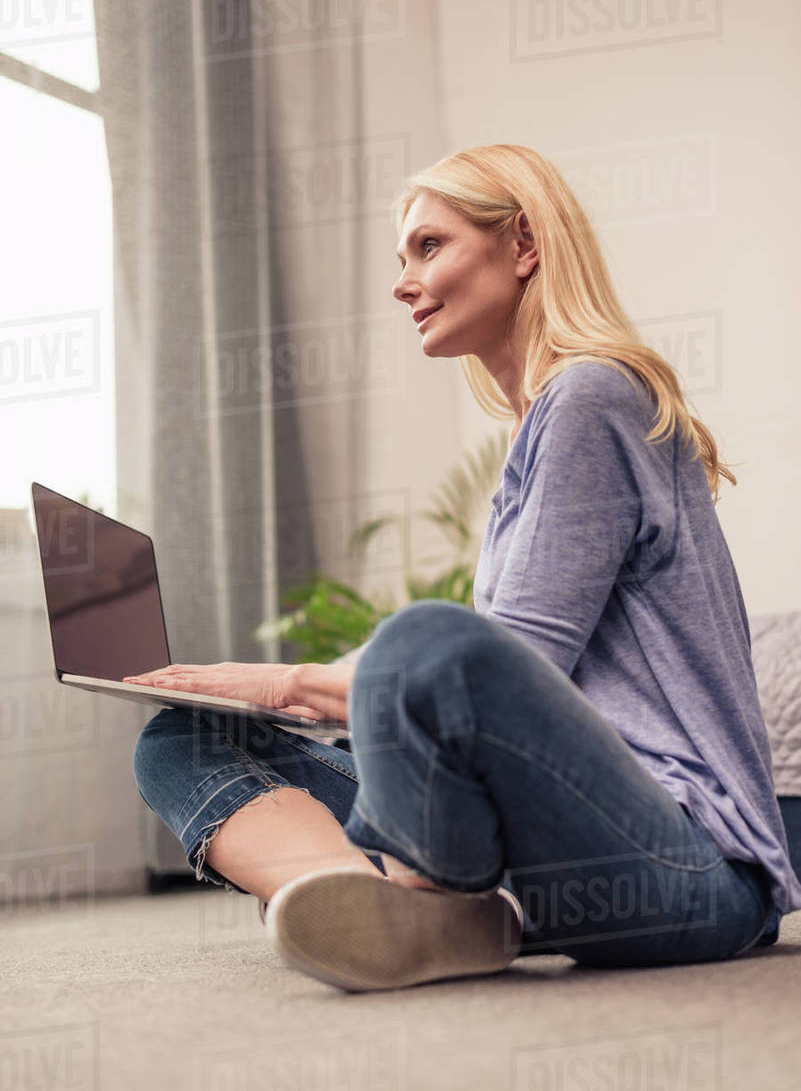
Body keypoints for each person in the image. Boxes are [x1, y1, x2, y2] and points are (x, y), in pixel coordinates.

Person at [130, 143, 801, 993]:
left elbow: (507, 663)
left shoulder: (593, 396)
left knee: (426, 638)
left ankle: (423, 898)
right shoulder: (533, 435)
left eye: (428, 247)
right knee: (182, 739)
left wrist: (283, 684)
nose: (402, 282)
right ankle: (422, 909)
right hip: (542, 839)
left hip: (687, 863)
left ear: (522, 245)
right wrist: (259, 694)